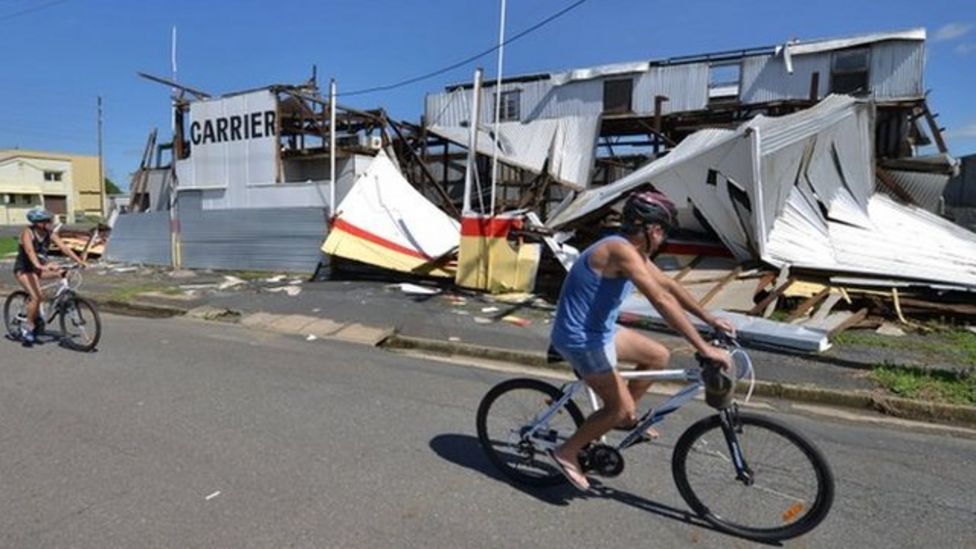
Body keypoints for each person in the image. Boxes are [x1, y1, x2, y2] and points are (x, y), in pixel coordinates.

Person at [548, 189, 735, 491]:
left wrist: (710, 319)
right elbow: (660, 300)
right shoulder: (618, 250)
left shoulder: (634, 253)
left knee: (658, 355)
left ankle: (620, 416)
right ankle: (567, 451)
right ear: (653, 229)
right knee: (618, 407)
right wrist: (703, 347)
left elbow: (669, 287)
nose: (663, 238)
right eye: (663, 232)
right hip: (580, 338)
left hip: (602, 331)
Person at [12, 207, 87, 345]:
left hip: (39, 269)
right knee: (36, 297)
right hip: (24, 269)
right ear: (38, 222)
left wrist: (78, 260)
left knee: (65, 273)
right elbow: (30, 251)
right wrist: (40, 265)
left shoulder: (49, 233)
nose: (51, 223)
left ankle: (56, 302)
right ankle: (28, 328)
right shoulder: (28, 233)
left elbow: (63, 247)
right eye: (48, 221)